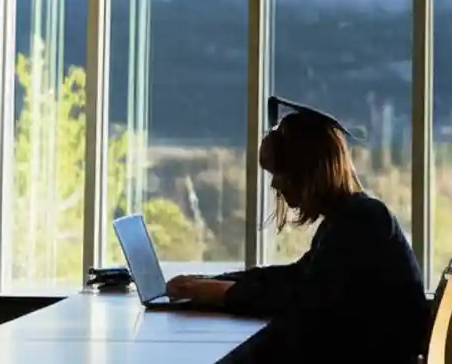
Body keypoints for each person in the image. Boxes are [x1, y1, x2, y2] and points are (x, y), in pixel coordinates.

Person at [165, 110, 429, 363]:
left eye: (279, 172)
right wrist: (211, 283)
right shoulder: (353, 218)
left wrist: (223, 293)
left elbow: (303, 303)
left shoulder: (360, 221)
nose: (274, 184)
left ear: (307, 172)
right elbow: (295, 277)